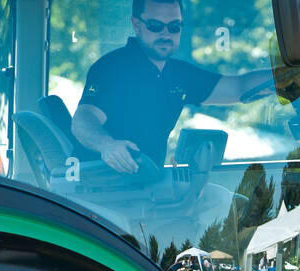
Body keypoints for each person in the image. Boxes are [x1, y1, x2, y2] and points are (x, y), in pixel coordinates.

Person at [72, 0, 278, 174]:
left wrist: (291, 76)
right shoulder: (111, 68)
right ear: (136, 25)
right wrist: (106, 145)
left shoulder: (179, 74)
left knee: (228, 202)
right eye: (155, 25)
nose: (165, 34)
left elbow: (237, 87)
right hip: (102, 188)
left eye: (174, 27)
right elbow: (83, 120)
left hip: (150, 182)